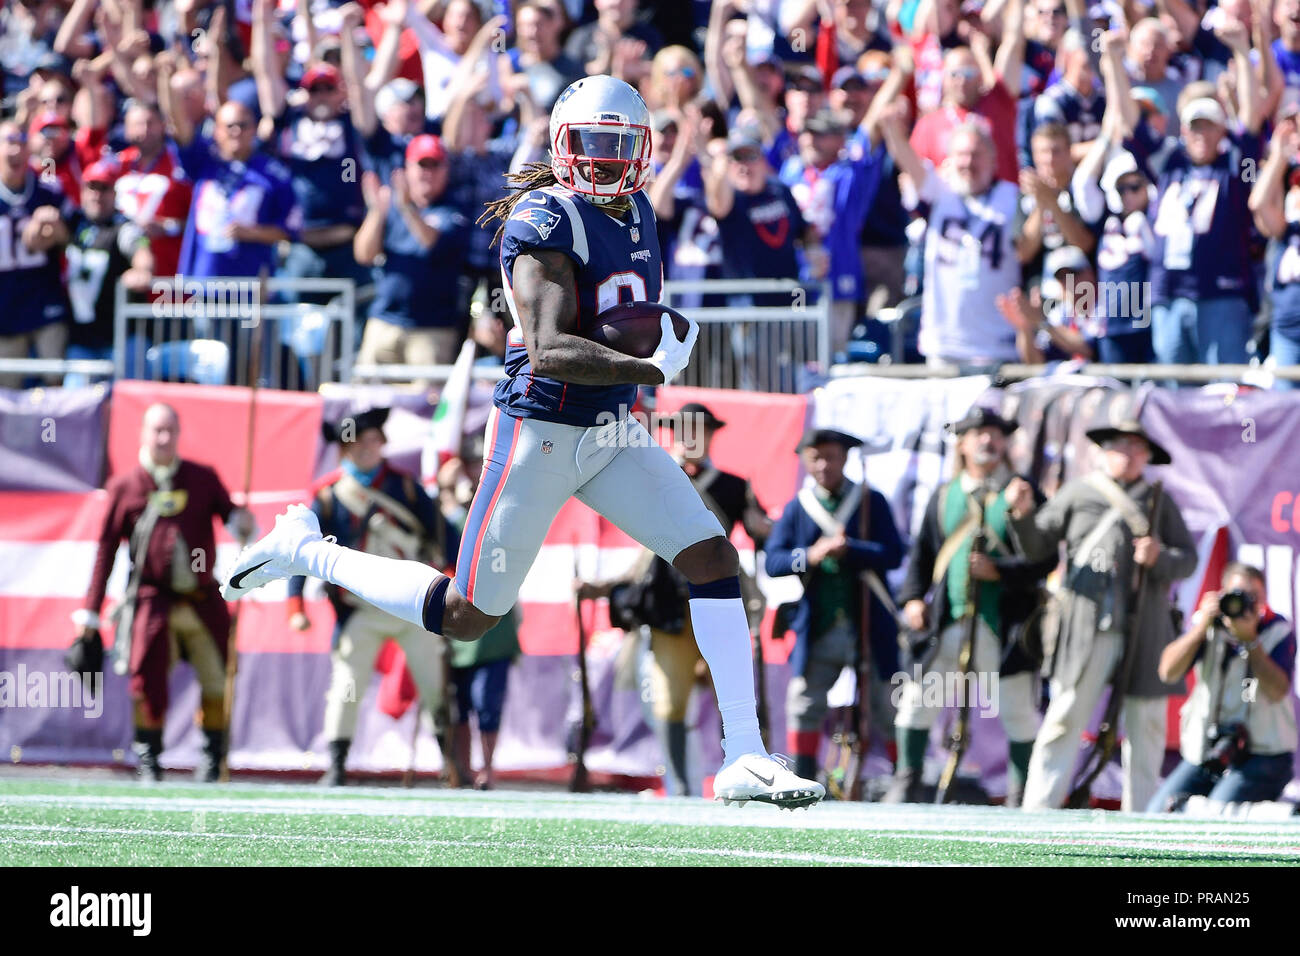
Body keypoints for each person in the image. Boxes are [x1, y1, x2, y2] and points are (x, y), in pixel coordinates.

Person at [224, 74, 824, 808]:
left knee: (709, 553)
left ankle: (744, 754)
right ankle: (305, 548)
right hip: (540, 430)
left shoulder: (637, 208)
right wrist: (648, 361)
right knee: (468, 613)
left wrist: (648, 351)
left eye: (620, 145)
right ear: (564, 145)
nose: (605, 161)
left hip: (608, 428)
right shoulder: (544, 218)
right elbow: (546, 347)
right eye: (592, 144)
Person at [576, 402, 773, 795]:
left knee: (732, 699)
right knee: (669, 703)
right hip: (669, 608)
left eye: (698, 429)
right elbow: (644, 550)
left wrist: (761, 523)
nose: (690, 436)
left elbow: (762, 534)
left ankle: (741, 775)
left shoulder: (734, 486)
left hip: (718, 600)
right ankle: (682, 788)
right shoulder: (656, 478)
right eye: (683, 428)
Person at [1005, 418, 1196, 811]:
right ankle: (1038, 809)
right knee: (1064, 716)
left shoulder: (1159, 499)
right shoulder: (1078, 493)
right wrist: (1022, 515)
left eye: (1135, 448)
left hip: (1144, 626)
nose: (1127, 455)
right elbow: (1037, 547)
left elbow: (1188, 559)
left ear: (1146, 456)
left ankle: (1141, 817)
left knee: (1146, 726)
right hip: (1086, 625)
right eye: (1119, 446)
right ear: (1104, 452)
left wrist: (1159, 557)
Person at [75, 404, 254, 782]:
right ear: (143, 433)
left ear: (178, 433)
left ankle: (210, 758)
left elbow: (232, 516)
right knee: (147, 682)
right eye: (157, 430)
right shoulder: (125, 487)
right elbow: (105, 552)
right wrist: (90, 614)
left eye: (170, 430)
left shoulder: (202, 478)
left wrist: (243, 520)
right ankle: (149, 760)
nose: (163, 438)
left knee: (217, 680)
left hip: (202, 600)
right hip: (151, 601)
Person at [886, 408, 1052, 806]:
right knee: (917, 703)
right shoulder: (945, 496)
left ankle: (1019, 794)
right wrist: (912, 599)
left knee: (1017, 712)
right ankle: (906, 781)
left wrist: (1001, 571)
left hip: (1005, 624)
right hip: (948, 622)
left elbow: (1045, 559)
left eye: (994, 434)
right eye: (978, 433)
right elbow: (923, 555)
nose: (987, 440)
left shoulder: (1023, 491)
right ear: (962, 442)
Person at [287, 407, 460, 786]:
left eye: (374, 441)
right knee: (346, 687)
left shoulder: (406, 486)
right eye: (359, 443)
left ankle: (450, 763)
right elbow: (302, 550)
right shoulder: (329, 497)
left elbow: (445, 535)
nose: (368, 449)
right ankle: (337, 764)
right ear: (345, 450)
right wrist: (295, 604)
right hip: (360, 609)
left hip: (412, 607)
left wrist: (451, 579)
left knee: (434, 686)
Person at [765, 428, 905, 785]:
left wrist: (853, 550)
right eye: (816, 457)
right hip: (819, 627)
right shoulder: (799, 507)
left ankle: (902, 780)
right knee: (804, 705)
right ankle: (805, 779)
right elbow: (774, 561)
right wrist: (810, 555)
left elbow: (894, 554)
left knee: (886, 708)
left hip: (869, 626)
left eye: (831, 456)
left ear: (844, 459)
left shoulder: (872, 501)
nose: (824, 464)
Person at [880, 101, 1022, 366]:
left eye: (976, 154)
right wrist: (891, 129)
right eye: (961, 155)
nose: (968, 162)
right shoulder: (941, 192)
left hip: (997, 341)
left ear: (993, 158)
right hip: (944, 341)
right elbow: (909, 163)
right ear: (949, 159)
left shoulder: (1011, 198)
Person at [1148, 563, 1297, 812]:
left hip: (1262, 756)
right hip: (1208, 753)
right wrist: (1200, 628)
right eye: (1237, 596)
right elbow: (1167, 672)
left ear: (1264, 599)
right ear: (1221, 595)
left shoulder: (1278, 629)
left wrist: (1250, 641)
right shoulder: (1209, 626)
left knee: (1216, 815)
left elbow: (1277, 690)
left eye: (1253, 597)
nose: (1244, 605)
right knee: (1158, 813)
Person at [353, 134, 470, 372]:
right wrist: (377, 211)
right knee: (368, 403)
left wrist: (406, 207)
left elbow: (432, 243)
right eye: (421, 165)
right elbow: (364, 254)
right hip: (384, 322)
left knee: (425, 407)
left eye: (435, 165)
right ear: (406, 168)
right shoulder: (391, 207)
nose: (428, 172)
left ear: (446, 169)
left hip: (432, 330)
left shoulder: (455, 208)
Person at [0, 118, 72, 388]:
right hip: (4, 307)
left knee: (56, 384)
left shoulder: (48, 191)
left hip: (45, 302)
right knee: (6, 396)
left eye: (21, 143)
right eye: (9, 142)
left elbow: (73, 240)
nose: (16, 150)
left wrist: (55, 228)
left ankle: (54, 433)